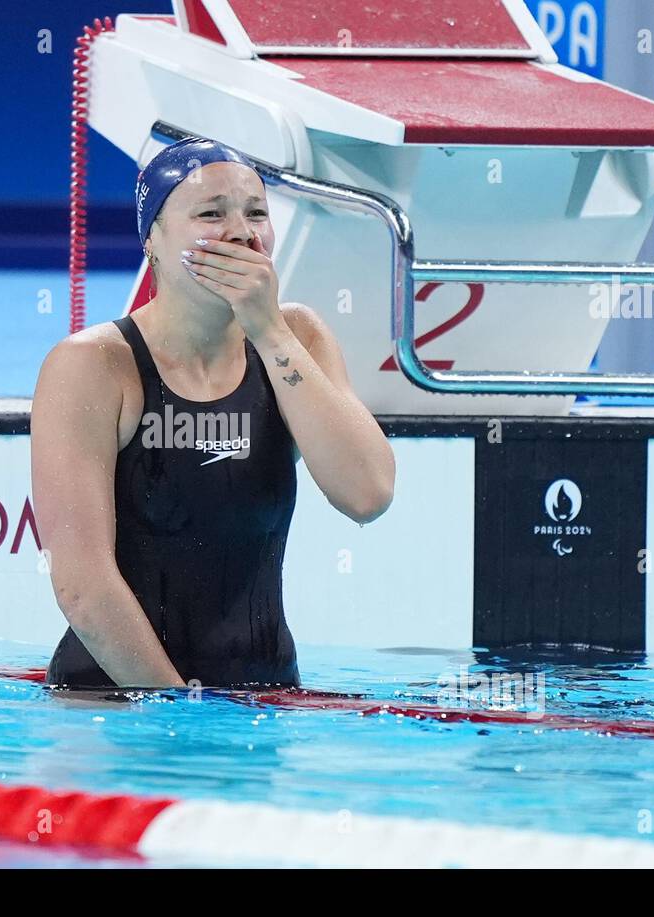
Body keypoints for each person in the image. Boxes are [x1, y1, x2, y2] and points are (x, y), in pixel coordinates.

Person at [32, 136, 394, 689]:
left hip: (263, 699)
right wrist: (181, 715)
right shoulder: (94, 366)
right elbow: (83, 587)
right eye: (210, 213)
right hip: (116, 702)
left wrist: (268, 330)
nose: (241, 233)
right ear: (151, 238)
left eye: (256, 214)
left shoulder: (297, 338)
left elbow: (367, 495)